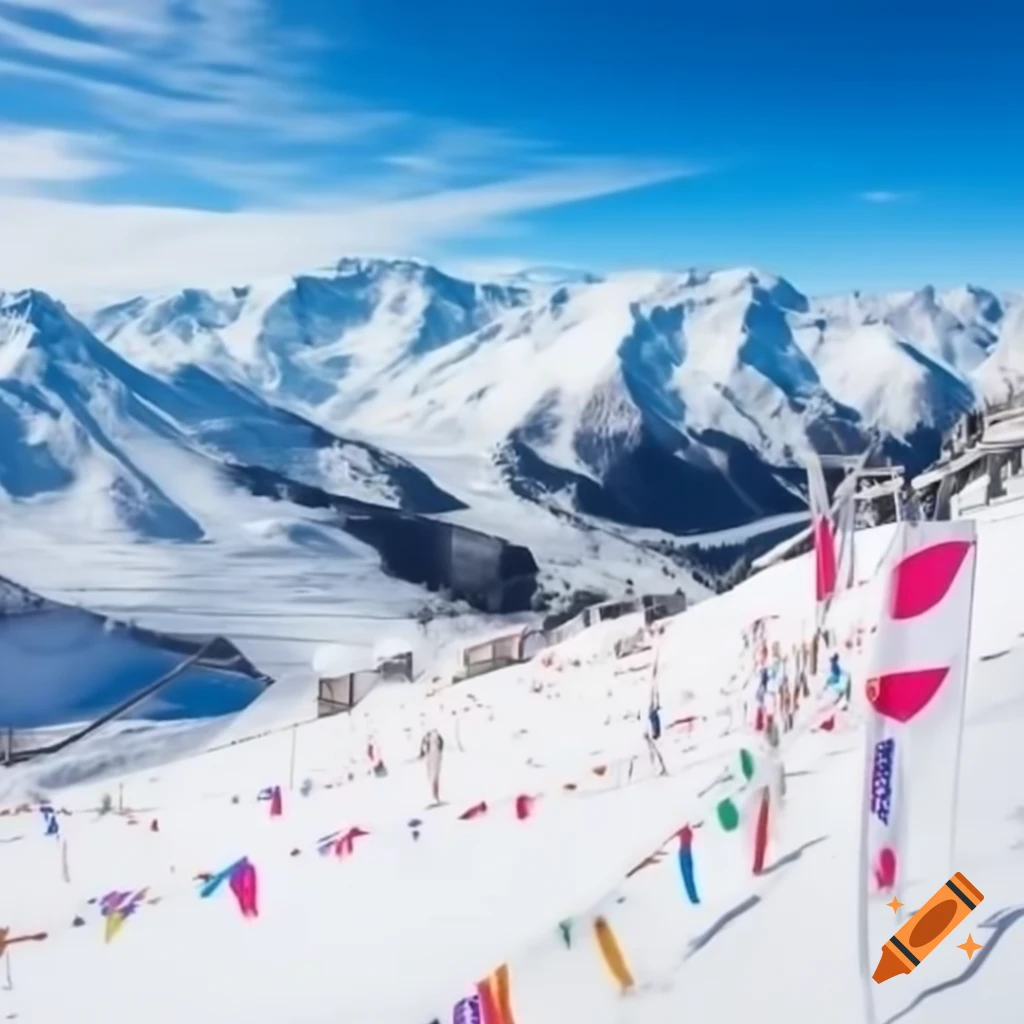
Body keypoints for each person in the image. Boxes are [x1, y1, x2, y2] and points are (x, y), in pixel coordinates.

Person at [420, 728, 445, 805]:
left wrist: (423, 753)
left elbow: (424, 748)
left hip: (433, 758)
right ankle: (435, 796)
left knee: (433, 778)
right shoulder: (434, 737)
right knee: (435, 778)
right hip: (434, 758)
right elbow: (441, 746)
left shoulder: (429, 737)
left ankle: (435, 796)